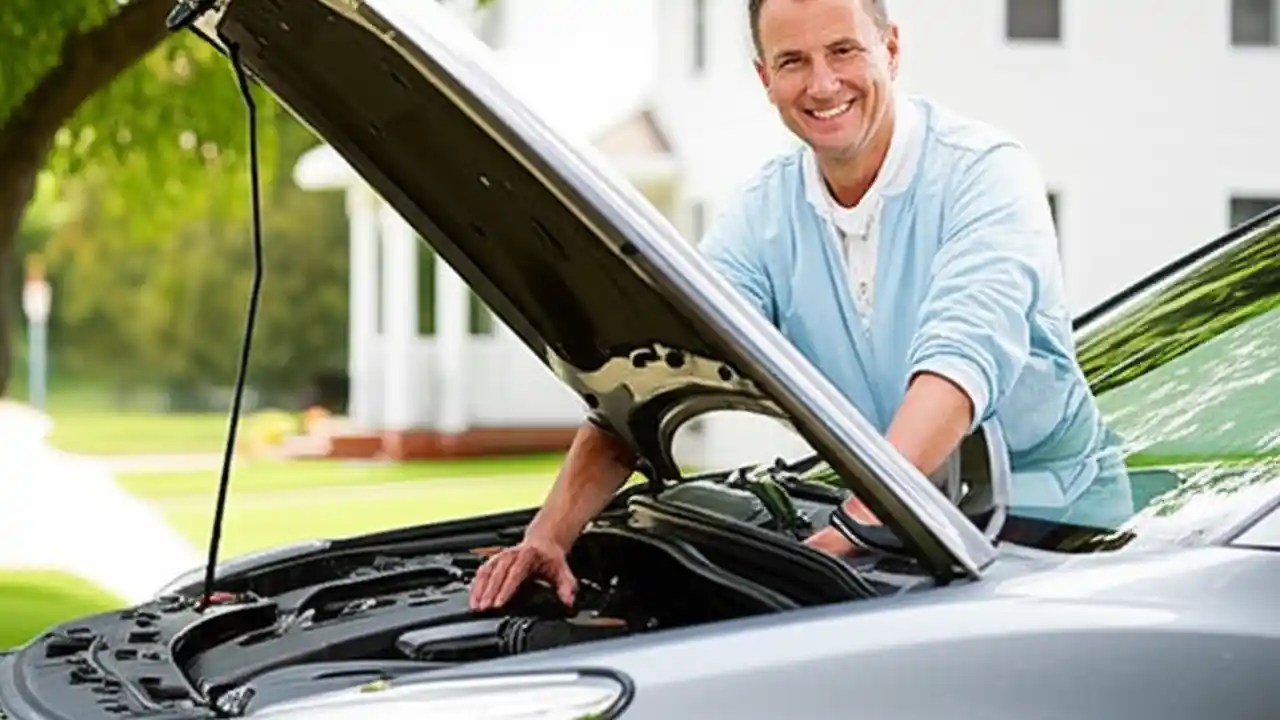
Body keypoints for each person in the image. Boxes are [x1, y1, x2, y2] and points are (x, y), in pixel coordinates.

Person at [470, 0, 1125, 612]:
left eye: (843, 51)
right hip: (907, 523)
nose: (821, 85)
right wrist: (550, 534)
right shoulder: (763, 214)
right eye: (793, 62)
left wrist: (853, 530)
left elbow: (957, 366)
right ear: (764, 77)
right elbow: (655, 373)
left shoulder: (985, 173)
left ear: (891, 50)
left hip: (1061, 531)